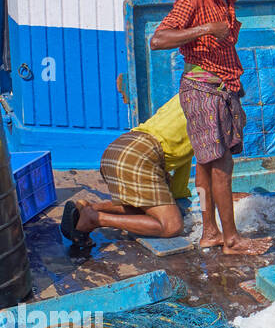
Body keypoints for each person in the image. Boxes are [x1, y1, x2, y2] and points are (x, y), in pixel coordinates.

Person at [150, 0, 272, 256]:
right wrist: (203, 29)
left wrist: (235, 87)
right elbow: (158, 39)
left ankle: (210, 232)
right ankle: (231, 240)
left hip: (222, 87)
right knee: (222, 166)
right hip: (203, 90)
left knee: (205, 163)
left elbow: (224, 47)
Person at [61, 94, 193, 250]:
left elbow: (186, 154)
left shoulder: (186, 93)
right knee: (171, 225)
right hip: (138, 157)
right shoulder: (213, 107)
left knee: (149, 207)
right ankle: (95, 219)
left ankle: (90, 208)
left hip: (118, 148)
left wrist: (174, 197)